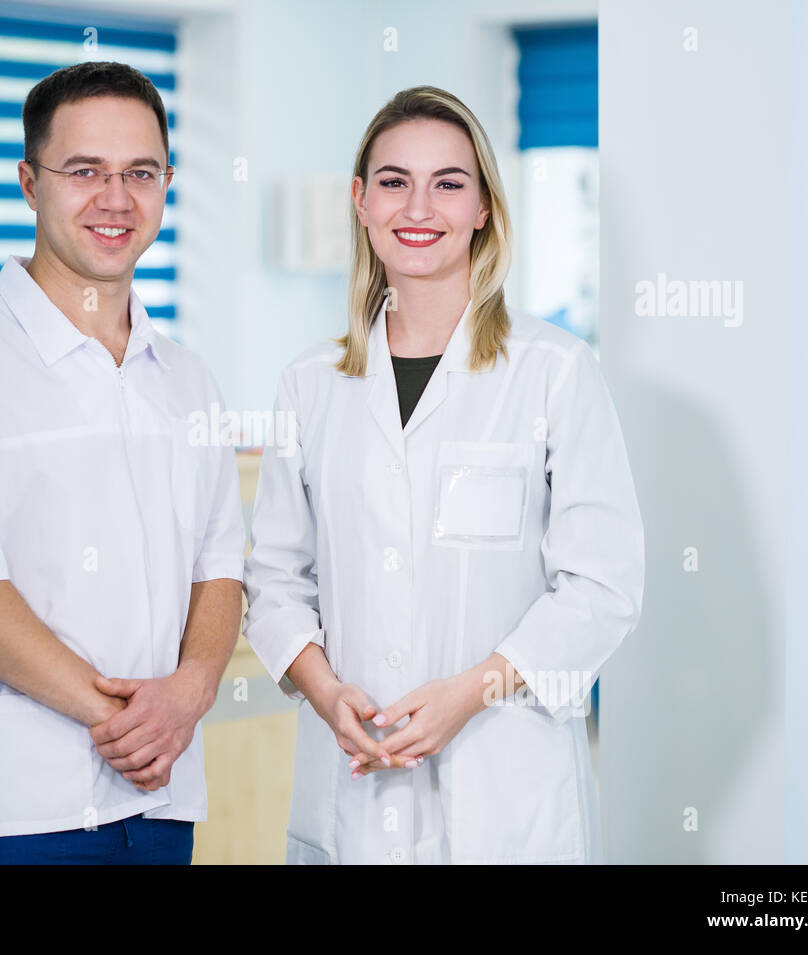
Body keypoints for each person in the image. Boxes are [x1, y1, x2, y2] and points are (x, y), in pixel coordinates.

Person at [242, 86, 645, 865]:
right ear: (360, 202)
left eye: (449, 183)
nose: (418, 206)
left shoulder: (555, 372)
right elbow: (277, 580)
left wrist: (474, 690)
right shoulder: (310, 382)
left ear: (485, 206)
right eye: (393, 181)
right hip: (354, 785)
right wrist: (327, 693)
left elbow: (602, 584)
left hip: (507, 788)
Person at [0, 61, 244, 865]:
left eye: (141, 173)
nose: (116, 199)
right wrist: (122, 719)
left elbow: (220, 569)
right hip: (13, 805)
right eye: (84, 171)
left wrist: (187, 696)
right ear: (28, 182)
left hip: (160, 795)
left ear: (167, 183)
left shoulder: (186, 378)